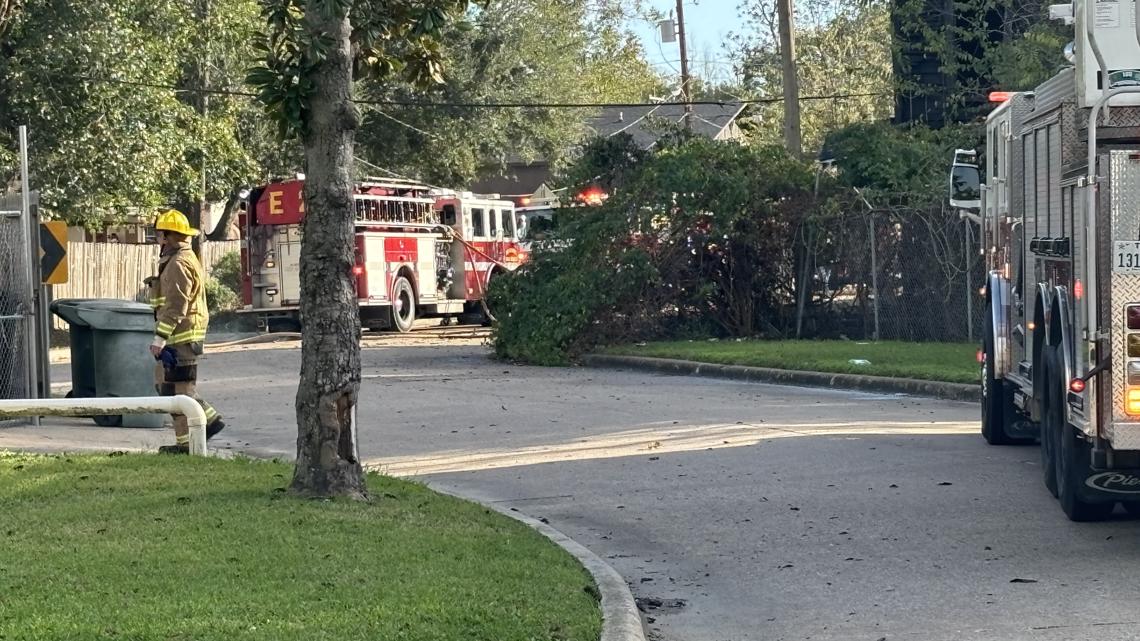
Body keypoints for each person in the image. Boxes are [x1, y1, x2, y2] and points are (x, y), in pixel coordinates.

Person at [147, 209, 224, 454]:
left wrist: (160, 338)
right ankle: (185, 442)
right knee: (167, 388)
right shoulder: (178, 259)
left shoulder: (179, 263)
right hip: (178, 335)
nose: (158, 239)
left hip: (181, 336)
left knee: (182, 390)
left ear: (168, 236)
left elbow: (177, 304)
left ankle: (206, 425)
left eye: (160, 234)